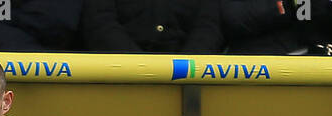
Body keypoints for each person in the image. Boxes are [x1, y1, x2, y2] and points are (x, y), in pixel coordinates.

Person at [222, 0, 332, 54]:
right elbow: (231, 18)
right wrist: (296, 5)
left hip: (323, 73)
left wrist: (331, 5)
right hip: (262, 72)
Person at [81, 0, 224, 52]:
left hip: (186, 83)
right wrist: (141, 67)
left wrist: (184, 68)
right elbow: (100, 23)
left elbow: (207, 27)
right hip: (119, 77)